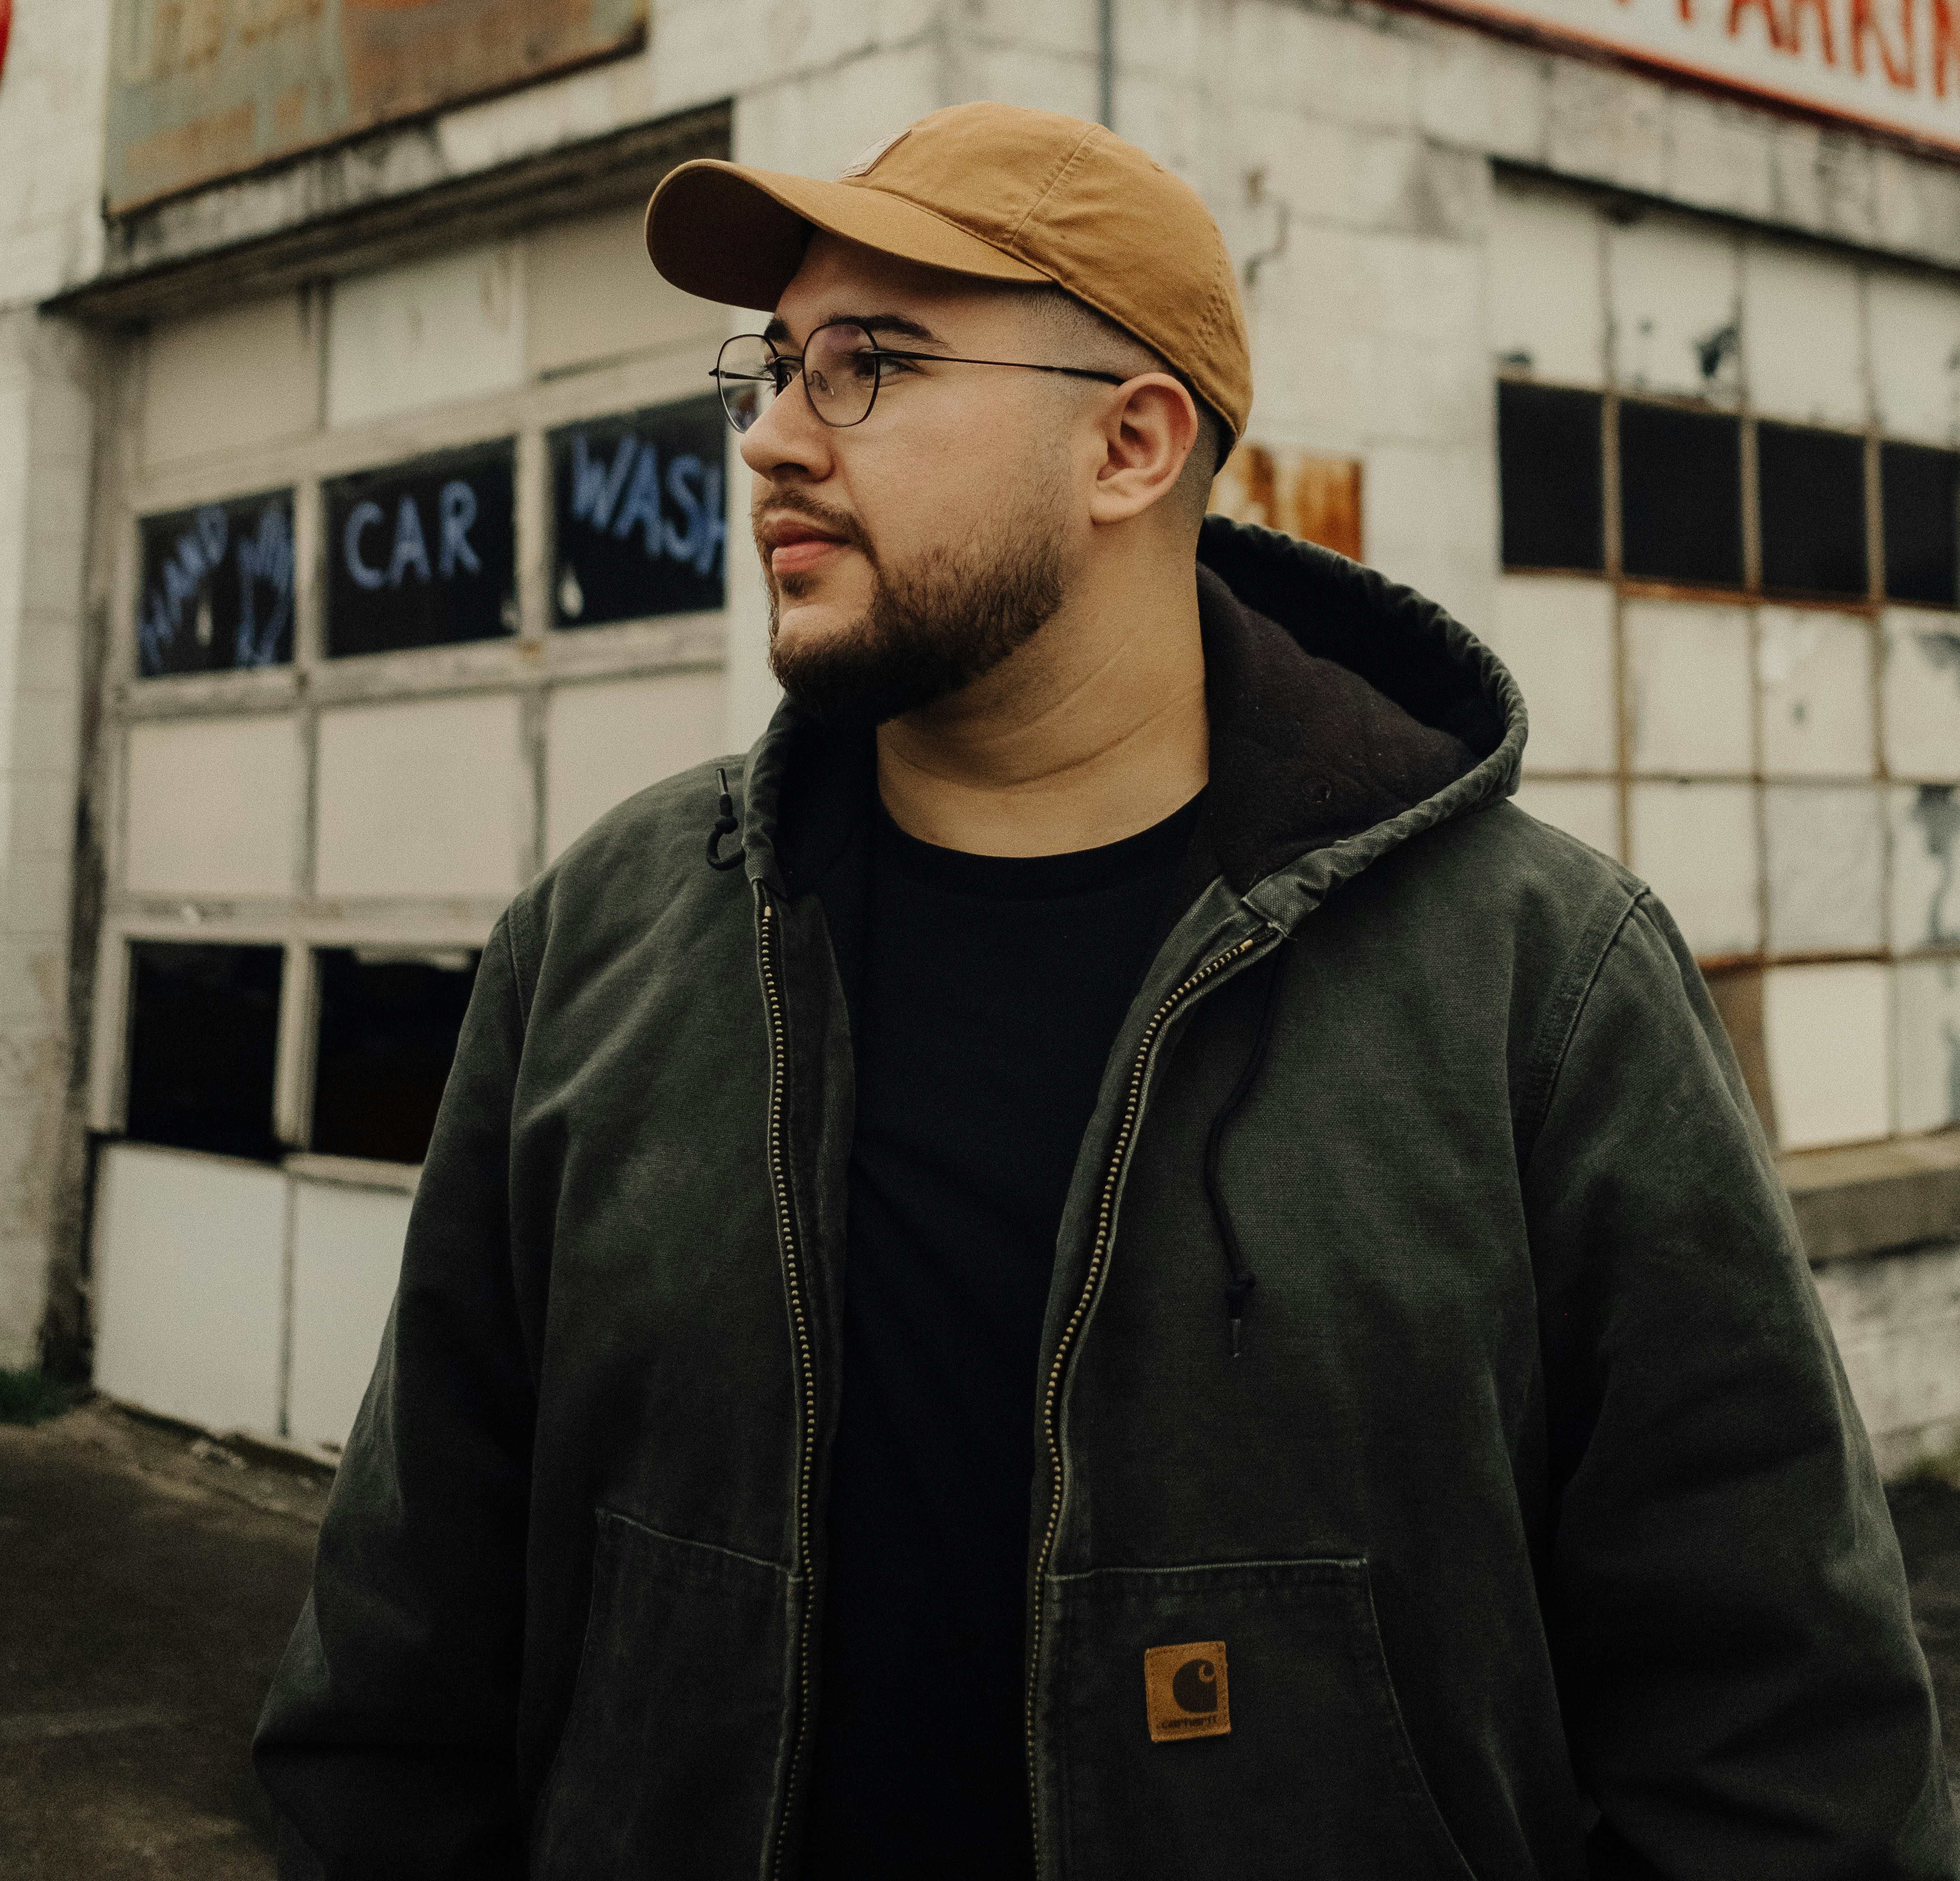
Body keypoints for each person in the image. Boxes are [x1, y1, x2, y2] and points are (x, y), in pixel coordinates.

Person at [256, 101, 1954, 1881]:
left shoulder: (1543, 980)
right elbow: (397, 1678)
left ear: (1131, 444)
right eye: (770, 365)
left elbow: (1791, 1753)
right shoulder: (606, 939)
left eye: (869, 363)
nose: (767, 436)